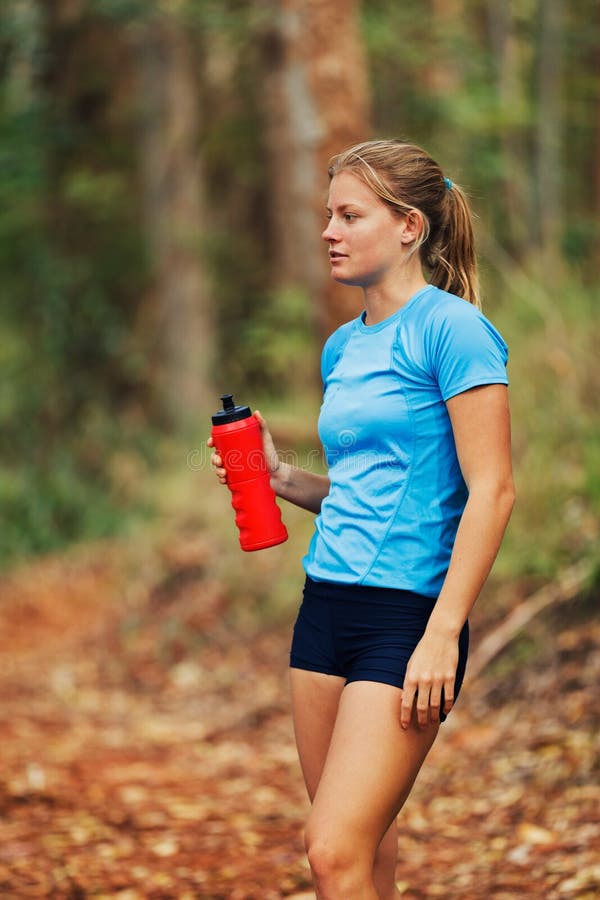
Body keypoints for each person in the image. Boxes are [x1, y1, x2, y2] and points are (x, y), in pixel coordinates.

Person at [208, 139, 515, 900]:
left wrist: (442, 633)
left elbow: (493, 490)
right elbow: (360, 490)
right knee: (363, 852)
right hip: (325, 609)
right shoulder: (342, 347)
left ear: (409, 226)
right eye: (328, 215)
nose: (328, 232)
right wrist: (280, 478)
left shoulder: (453, 330)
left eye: (350, 216)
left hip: (406, 617)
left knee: (331, 852)